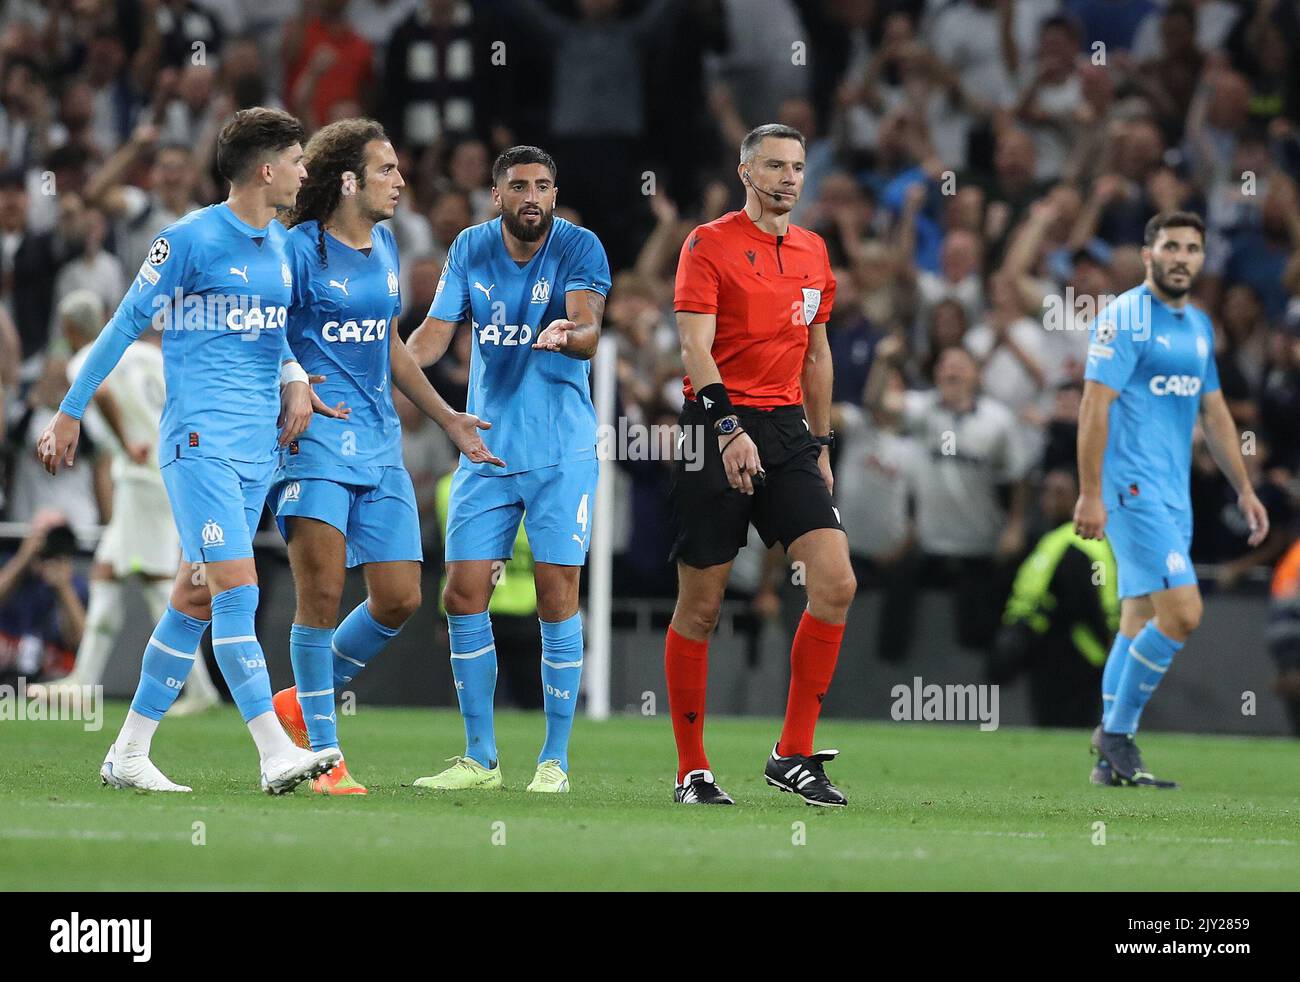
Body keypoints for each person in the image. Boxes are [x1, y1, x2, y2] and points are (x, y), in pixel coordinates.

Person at [38, 107, 348, 794]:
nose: (306, 171)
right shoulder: (189, 241)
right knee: (239, 588)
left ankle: (127, 753)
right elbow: (122, 325)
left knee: (194, 597)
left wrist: (296, 382)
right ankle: (274, 753)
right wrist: (69, 412)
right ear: (265, 170)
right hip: (198, 443)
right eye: (297, 160)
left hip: (255, 450)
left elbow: (275, 335)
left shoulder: (276, 244)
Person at [266, 117, 499, 795]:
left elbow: (389, 343)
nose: (401, 181)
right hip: (313, 444)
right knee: (322, 595)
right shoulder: (297, 250)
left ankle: (301, 704)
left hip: (378, 446)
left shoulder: (389, 242)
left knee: (399, 597)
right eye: (387, 170)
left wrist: (448, 417)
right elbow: (266, 333)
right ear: (348, 181)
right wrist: (296, 384)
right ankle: (326, 759)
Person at [406, 144, 610, 794]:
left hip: (560, 453)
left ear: (554, 193)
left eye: (543, 185)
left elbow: (589, 328)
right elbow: (436, 335)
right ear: (496, 195)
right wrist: (397, 368)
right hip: (487, 448)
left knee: (557, 597)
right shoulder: (469, 248)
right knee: (462, 593)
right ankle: (480, 759)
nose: (531, 196)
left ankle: (554, 761)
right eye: (518, 185)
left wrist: (567, 334)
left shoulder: (579, 247)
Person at [665, 123, 854, 807]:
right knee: (704, 605)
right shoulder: (707, 243)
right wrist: (726, 428)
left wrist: (822, 443)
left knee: (834, 582)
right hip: (715, 424)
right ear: (746, 173)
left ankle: (793, 753)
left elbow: (818, 355)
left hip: (787, 428)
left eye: (798, 167)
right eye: (773, 166)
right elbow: (694, 347)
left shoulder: (813, 250)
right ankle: (693, 769)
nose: (788, 178)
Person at [1074, 210, 1270, 787]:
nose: (1182, 256)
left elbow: (1213, 412)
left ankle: (1110, 762)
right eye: (1171, 246)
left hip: (1171, 493)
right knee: (1184, 614)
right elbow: (1093, 406)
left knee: (1137, 618)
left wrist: (1245, 488)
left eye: (1192, 248)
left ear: (1202, 259)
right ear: (1148, 254)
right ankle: (1116, 733)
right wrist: (1090, 493)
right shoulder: (1126, 318)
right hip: (1130, 489)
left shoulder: (1200, 327)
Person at [36, 290, 221, 715]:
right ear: (102, 315)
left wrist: (127, 442)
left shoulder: (87, 358)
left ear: (68, 330)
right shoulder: (145, 353)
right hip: (166, 469)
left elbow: (100, 395)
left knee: (158, 582)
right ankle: (83, 681)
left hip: (141, 474)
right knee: (108, 574)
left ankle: (198, 688)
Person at [993, 468, 1119, 728]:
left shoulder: (1075, 542)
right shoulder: (1056, 539)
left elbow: (1084, 599)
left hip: (1073, 650)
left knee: (1065, 726)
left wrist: (1105, 641)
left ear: (1078, 498)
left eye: (1060, 493)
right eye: (1046, 492)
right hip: (1065, 650)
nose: (1050, 499)